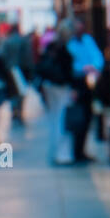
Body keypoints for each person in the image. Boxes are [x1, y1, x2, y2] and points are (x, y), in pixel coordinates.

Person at [36, 21, 76, 165]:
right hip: (61, 87)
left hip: (49, 85)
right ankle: (62, 154)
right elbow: (69, 71)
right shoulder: (65, 49)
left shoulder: (51, 46)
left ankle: (55, 151)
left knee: (54, 118)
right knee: (62, 119)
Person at [66, 19, 106, 163]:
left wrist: (94, 67)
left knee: (88, 116)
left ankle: (82, 150)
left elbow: (97, 58)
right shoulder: (70, 44)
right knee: (78, 118)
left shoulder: (87, 40)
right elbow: (72, 65)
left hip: (89, 82)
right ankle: (76, 151)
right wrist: (84, 68)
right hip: (77, 83)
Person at [0, 23, 35, 124]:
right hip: (22, 69)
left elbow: (3, 56)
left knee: (13, 92)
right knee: (22, 92)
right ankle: (19, 110)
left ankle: (14, 110)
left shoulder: (7, 41)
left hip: (10, 69)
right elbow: (29, 57)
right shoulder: (24, 41)